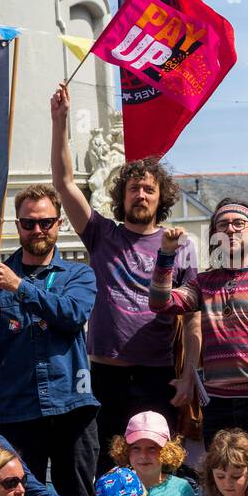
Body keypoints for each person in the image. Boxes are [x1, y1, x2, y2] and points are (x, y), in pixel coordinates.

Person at [50, 84, 200, 471]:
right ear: (122, 195)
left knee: (159, 467)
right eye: (134, 187)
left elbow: (193, 316)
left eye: (149, 189)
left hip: (157, 374)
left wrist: (188, 377)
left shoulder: (179, 244)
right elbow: (65, 183)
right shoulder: (102, 234)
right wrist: (60, 121)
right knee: (108, 464)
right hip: (106, 374)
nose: (140, 195)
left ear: (160, 197)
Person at [0, 184, 99, 496]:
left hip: (71, 406)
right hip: (19, 412)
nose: (37, 230)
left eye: (45, 222)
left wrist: (20, 288)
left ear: (59, 224)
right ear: (17, 226)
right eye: (28, 223)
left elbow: (73, 314)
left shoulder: (77, 274)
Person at [147, 199, 248, 447]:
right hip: (216, 406)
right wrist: (166, 255)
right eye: (223, 225)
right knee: (221, 482)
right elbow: (160, 303)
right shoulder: (203, 283)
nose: (230, 229)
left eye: (239, 223)